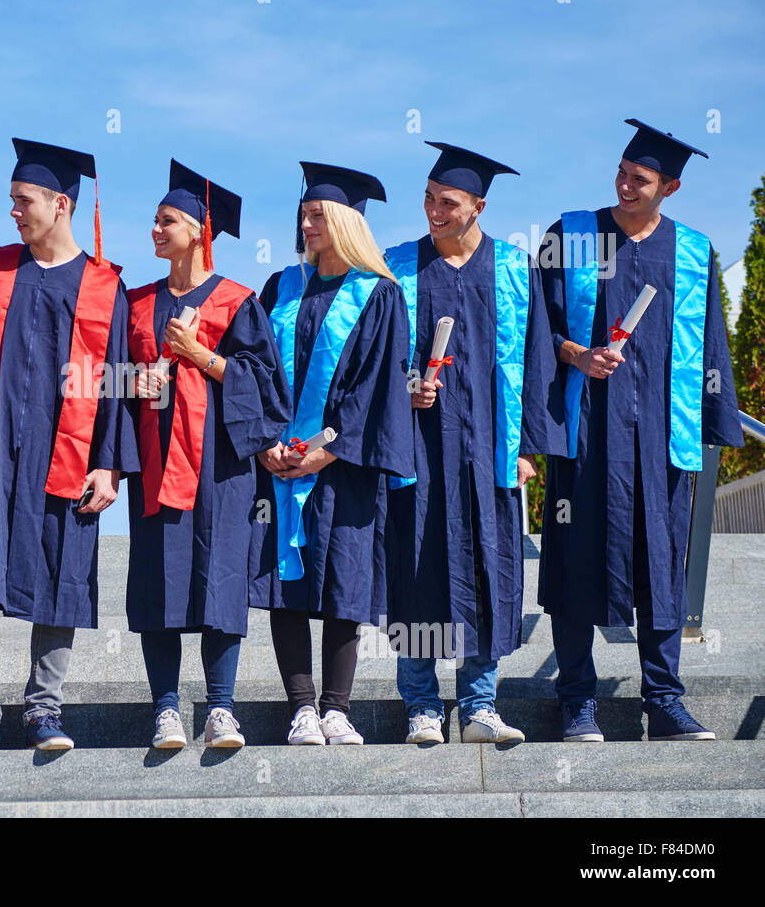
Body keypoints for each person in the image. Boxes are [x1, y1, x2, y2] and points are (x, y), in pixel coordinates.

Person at [536, 120, 742, 742]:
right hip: (585, 432)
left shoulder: (692, 250)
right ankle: (576, 699)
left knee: (662, 567)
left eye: (642, 179)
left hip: (661, 437)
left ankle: (665, 698)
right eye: (622, 173)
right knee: (575, 563)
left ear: (670, 187)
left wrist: (713, 421)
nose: (626, 185)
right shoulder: (571, 236)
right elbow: (530, 331)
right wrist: (578, 354)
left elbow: (710, 345)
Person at [0, 138, 138, 752]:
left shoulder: (106, 287)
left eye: (22, 201)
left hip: (66, 459)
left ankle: (43, 711)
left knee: (61, 574)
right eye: (10, 201)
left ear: (60, 203)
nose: (13, 212)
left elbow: (117, 386)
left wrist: (108, 465)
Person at [384, 142, 562, 746]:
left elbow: (536, 360)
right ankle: (422, 706)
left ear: (479, 206)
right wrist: (406, 387)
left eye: (449, 203)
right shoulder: (397, 268)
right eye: (429, 199)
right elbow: (376, 359)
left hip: (490, 448)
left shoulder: (514, 269)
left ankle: (480, 704)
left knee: (491, 568)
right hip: (417, 449)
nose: (434, 211)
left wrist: (528, 447)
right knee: (417, 571)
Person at [126, 161, 290, 750]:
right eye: (154, 220)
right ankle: (166, 709)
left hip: (221, 468)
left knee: (220, 581)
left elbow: (268, 389)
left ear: (198, 230)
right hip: (155, 462)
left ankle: (220, 708)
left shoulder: (237, 301)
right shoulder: (136, 301)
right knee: (157, 583)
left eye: (166, 221)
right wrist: (133, 381)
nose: (155, 229)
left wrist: (199, 354)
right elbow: (108, 381)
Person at [250, 163, 413, 747]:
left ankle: (336, 708)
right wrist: (267, 440)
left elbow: (379, 388)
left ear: (345, 223)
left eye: (319, 214)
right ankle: (300, 708)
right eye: (303, 213)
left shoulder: (380, 295)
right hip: (278, 466)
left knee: (344, 576)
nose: (306, 222)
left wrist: (330, 451)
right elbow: (257, 372)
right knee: (283, 580)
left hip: (345, 469)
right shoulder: (279, 288)